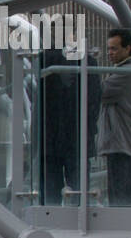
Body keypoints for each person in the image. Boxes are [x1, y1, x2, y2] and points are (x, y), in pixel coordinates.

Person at [39, 43, 100, 206]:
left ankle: (52, 222)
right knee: (78, 192)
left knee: (50, 194)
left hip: (51, 137)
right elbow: (94, 100)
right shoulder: (87, 60)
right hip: (76, 136)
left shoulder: (44, 59)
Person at [96, 29, 131, 207]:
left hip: (123, 142)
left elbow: (99, 92)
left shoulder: (126, 73)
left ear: (128, 49)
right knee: (123, 188)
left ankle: (125, 224)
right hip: (123, 141)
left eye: (114, 49)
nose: (110, 53)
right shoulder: (124, 70)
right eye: (108, 49)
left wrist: (85, 65)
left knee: (122, 192)